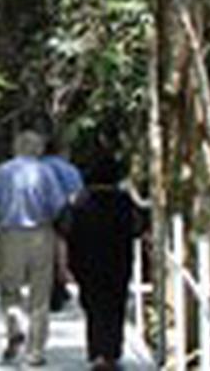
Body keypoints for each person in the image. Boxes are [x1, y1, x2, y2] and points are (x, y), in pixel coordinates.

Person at [0, 128, 73, 365]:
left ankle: (15, 326)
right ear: (38, 150)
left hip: (10, 236)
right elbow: (58, 205)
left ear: (16, 147)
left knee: (9, 288)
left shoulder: (3, 172)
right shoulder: (45, 172)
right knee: (40, 295)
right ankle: (35, 352)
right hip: (42, 235)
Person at [58, 151, 149, 370]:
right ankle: (112, 353)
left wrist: (65, 263)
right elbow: (138, 227)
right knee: (115, 306)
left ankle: (97, 352)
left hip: (87, 263)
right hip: (118, 262)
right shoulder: (123, 201)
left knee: (93, 307)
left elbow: (63, 228)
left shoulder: (80, 201)